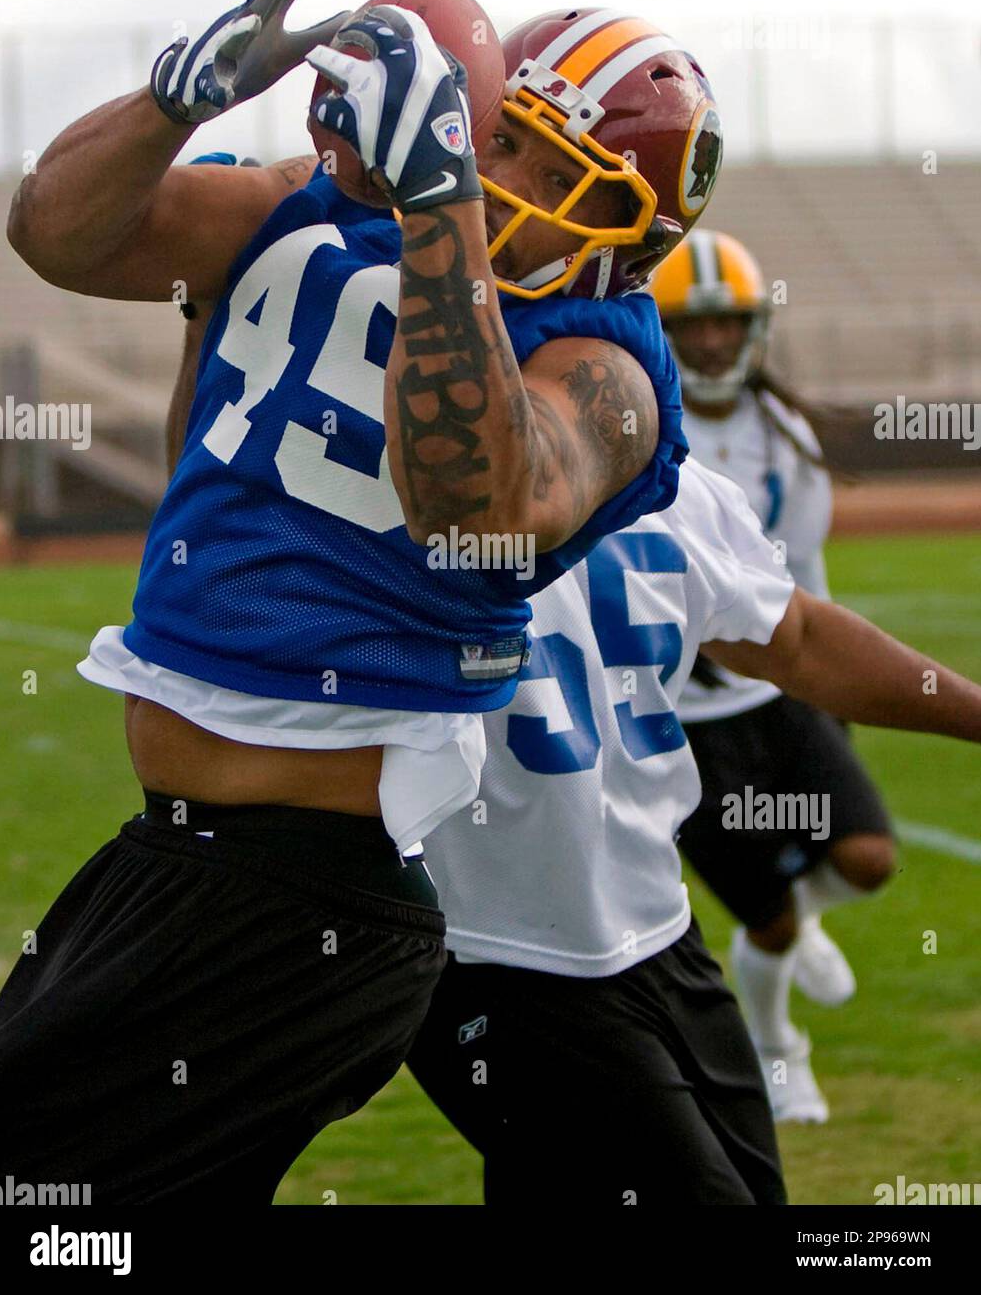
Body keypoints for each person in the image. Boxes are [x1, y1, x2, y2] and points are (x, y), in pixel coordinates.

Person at [0, 0, 720, 1202]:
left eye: (542, 165)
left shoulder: (606, 369)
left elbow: (471, 502)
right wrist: (179, 92)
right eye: (496, 139)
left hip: (300, 900)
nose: (499, 174)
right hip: (170, 855)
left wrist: (441, 207)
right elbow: (57, 235)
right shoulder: (307, 205)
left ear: (625, 219)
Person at [407, 453, 981, 1205]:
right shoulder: (395, 490)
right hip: (491, 955)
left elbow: (798, 636)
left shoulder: (669, 482)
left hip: (657, 935)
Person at [651, 230, 894, 1122]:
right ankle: (777, 1049)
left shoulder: (785, 432)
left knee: (866, 858)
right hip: (685, 716)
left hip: (779, 692)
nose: (712, 342)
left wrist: (833, 696)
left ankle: (805, 921)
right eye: (693, 325)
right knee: (771, 924)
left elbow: (809, 577)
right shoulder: (636, 417)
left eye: (727, 324)